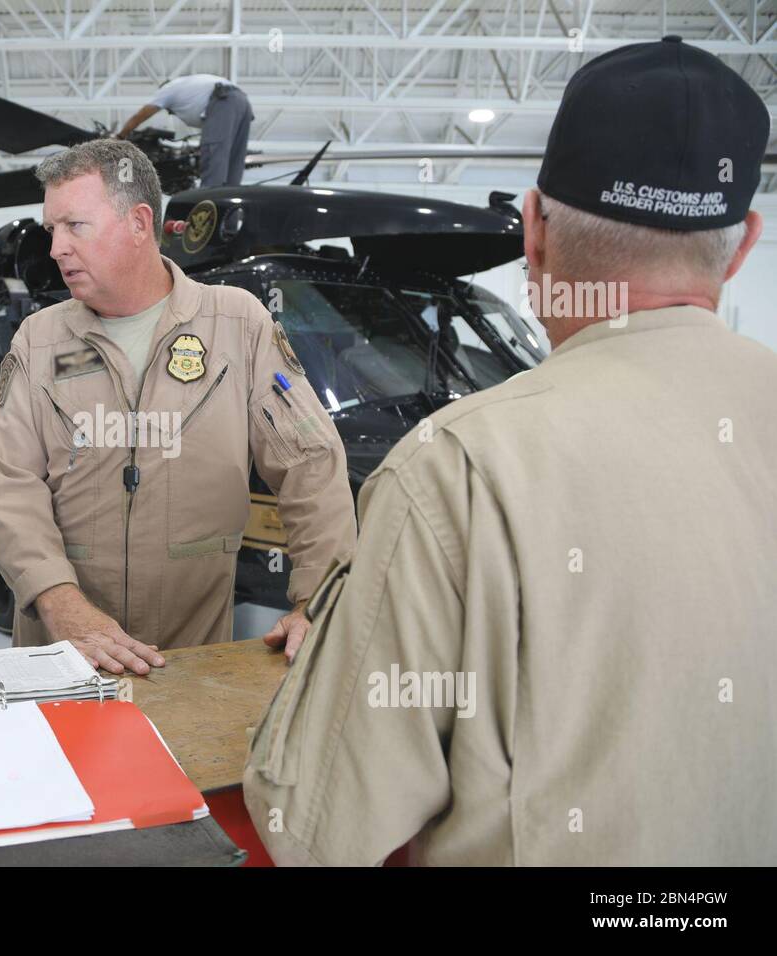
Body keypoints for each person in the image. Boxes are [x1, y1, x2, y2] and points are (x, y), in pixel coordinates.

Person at [244, 36, 777, 865]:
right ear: (743, 244)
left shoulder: (453, 467)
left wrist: (347, 655)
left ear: (532, 229)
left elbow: (314, 833)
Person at [0, 139, 354, 676]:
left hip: (188, 660)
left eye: (75, 226)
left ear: (138, 223)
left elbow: (310, 462)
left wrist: (318, 599)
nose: (57, 248)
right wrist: (59, 602)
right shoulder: (39, 340)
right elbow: (10, 482)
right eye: (51, 230)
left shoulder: (237, 325)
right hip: (61, 656)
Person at [116, 74, 254, 187]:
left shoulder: (167, 89)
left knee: (213, 162)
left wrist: (121, 135)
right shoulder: (188, 87)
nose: (170, 112)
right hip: (242, 102)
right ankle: (229, 217)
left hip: (223, 102)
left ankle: (209, 207)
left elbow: (143, 113)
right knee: (234, 167)